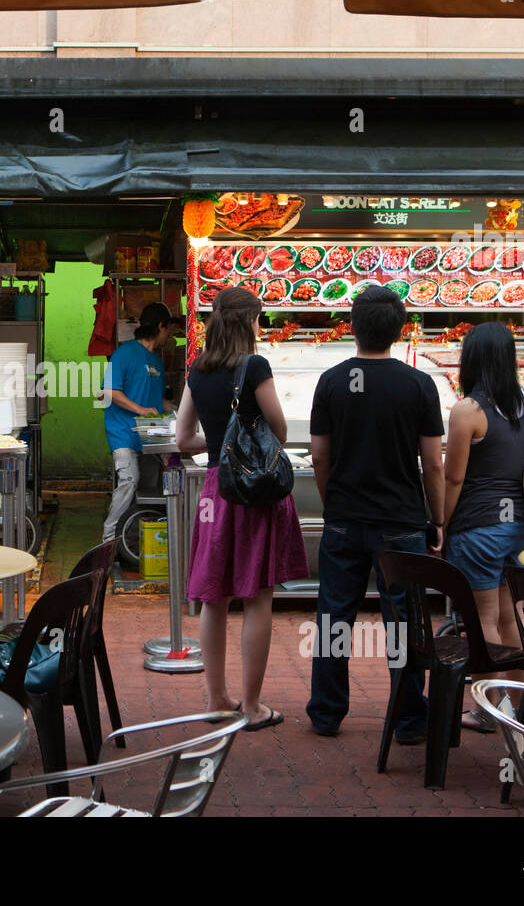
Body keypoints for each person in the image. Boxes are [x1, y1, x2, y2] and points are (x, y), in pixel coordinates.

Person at [306, 286, 445, 741]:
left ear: (352, 326)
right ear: (401, 329)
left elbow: (319, 456)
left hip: (345, 517)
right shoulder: (419, 384)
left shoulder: (330, 382)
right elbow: (434, 462)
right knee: (404, 622)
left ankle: (326, 712)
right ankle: (408, 718)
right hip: (402, 523)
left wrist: (333, 505)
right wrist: (438, 519)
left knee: (333, 615)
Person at [174, 287, 307, 729]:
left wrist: (218, 445)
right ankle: (251, 706)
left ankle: (216, 700)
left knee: (215, 595)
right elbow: (281, 431)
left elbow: (182, 438)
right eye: (259, 319)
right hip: (252, 493)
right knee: (257, 595)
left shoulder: (199, 368)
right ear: (249, 321)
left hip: (216, 489)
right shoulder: (255, 366)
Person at [441, 322, 524, 732]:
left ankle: (487, 709)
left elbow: (453, 479)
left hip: (477, 526)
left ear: (472, 359)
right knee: (512, 614)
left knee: (482, 617)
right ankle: (521, 705)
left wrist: (440, 524)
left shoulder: (468, 410)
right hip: (516, 524)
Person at [100, 302, 177, 543]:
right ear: (160, 326)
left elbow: (156, 400)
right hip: (122, 432)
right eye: (168, 330)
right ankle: (109, 539)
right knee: (129, 480)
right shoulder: (124, 353)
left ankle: (135, 541)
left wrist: (178, 409)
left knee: (150, 488)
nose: (170, 336)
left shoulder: (157, 362)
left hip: (150, 436)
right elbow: (110, 391)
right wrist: (140, 409)